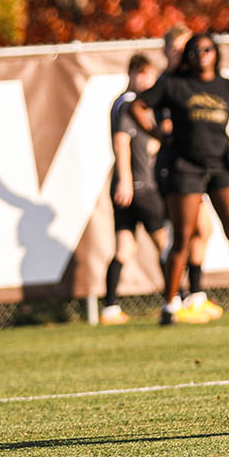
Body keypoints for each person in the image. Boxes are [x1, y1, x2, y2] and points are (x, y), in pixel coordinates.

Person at [131, 32, 229, 322]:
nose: (202, 55)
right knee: (183, 238)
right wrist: (157, 133)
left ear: (216, 53)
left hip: (221, 166)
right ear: (188, 56)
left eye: (207, 49)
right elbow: (137, 107)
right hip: (186, 167)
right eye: (195, 51)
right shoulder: (174, 84)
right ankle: (170, 307)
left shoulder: (226, 87)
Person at [96, 53, 170, 324]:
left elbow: (150, 138)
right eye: (140, 74)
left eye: (149, 74)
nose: (145, 79)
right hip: (138, 185)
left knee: (124, 248)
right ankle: (178, 298)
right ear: (130, 74)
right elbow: (121, 142)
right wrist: (126, 179)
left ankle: (110, 308)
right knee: (166, 244)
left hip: (127, 185)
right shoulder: (127, 103)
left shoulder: (141, 105)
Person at [159, 23, 219, 321]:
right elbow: (152, 115)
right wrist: (163, 132)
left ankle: (193, 296)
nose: (186, 55)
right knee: (181, 237)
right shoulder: (168, 82)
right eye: (179, 49)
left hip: (193, 167)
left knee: (202, 231)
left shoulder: (187, 80)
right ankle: (175, 302)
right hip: (174, 167)